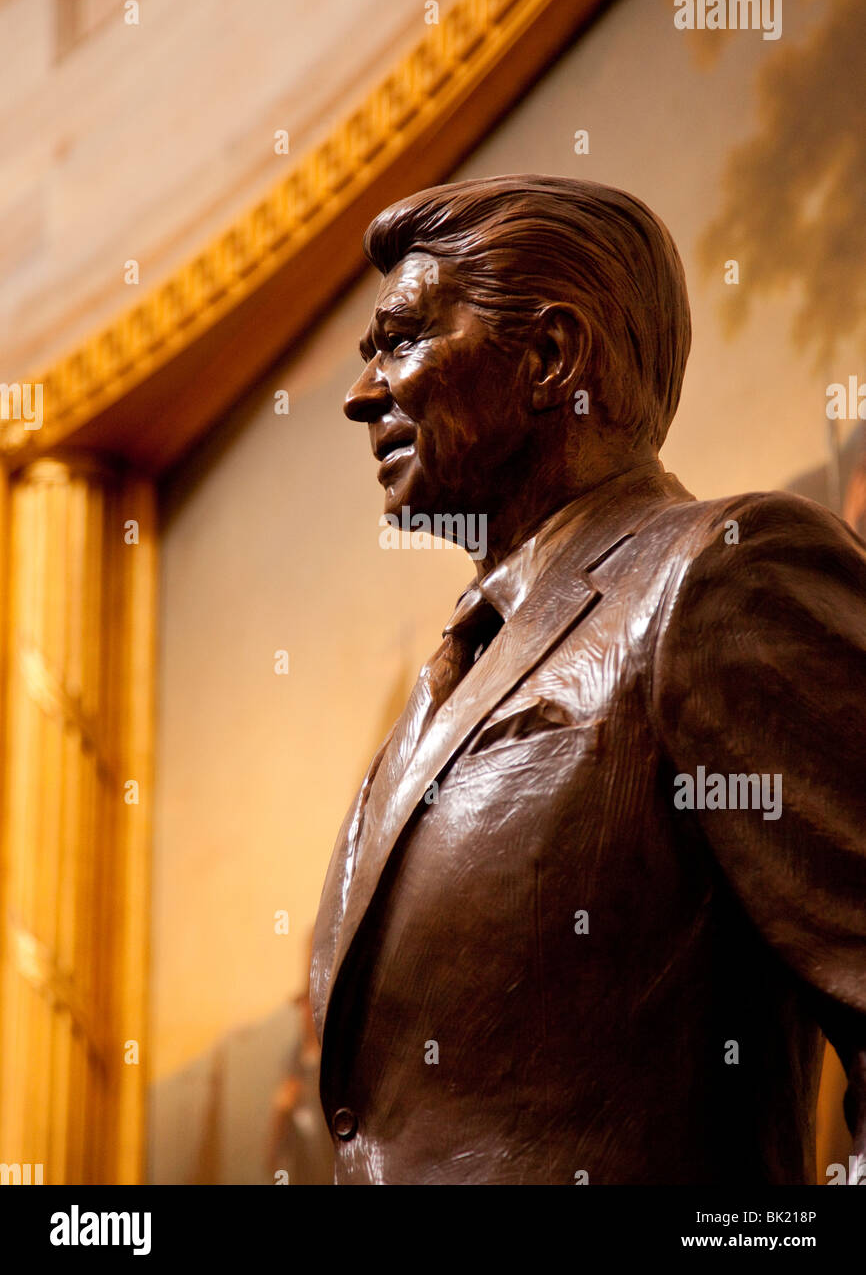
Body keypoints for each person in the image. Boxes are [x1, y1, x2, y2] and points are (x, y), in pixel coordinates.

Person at [311, 175, 866, 1184]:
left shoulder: (717, 575)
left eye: (398, 341)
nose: (360, 396)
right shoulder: (441, 688)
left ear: (547, 357)